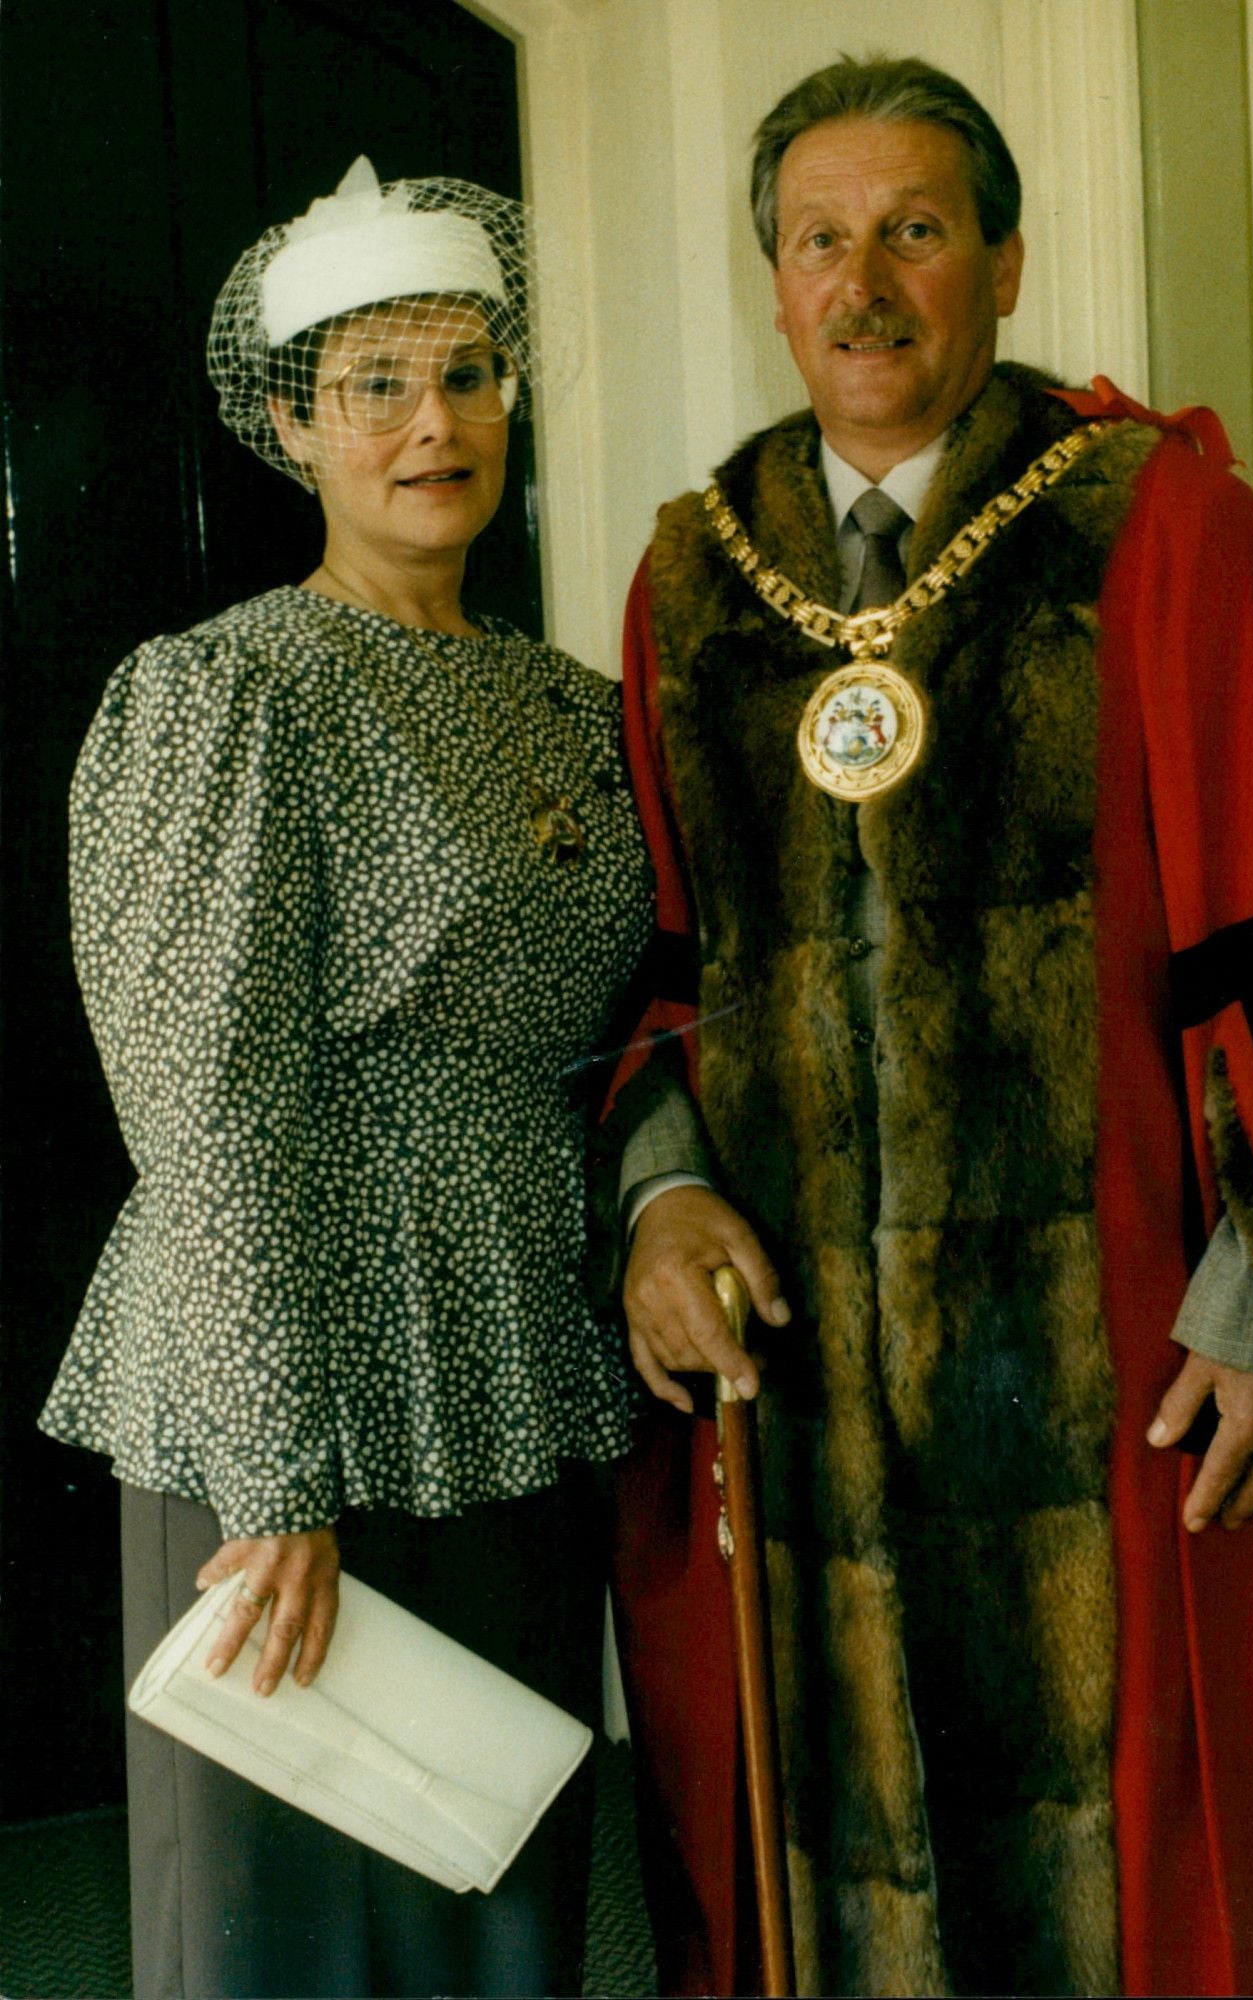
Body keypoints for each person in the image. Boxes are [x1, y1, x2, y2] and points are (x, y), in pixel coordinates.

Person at [602, 55, 1253, 1999]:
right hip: (801, 1396)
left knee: (1147, 1875)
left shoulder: (1144, 525)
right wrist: (655, 1200)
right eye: (817, 241)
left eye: (912, 231)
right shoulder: (689, 580)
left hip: (1112, 1367)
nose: (862, 286)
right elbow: (645, 960)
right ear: (770, 282)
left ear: (1000, 263)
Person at [39, 157, 653, 1999]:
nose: (431, 424)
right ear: (291, 422)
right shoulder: (227, 694)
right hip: (294, 1346)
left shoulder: (568, 705)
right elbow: (205, 1103)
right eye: (374, 385)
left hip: (511, 1346)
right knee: (297, 1917)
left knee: (490, 1873)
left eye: (466, 374)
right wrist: (270, 1475)